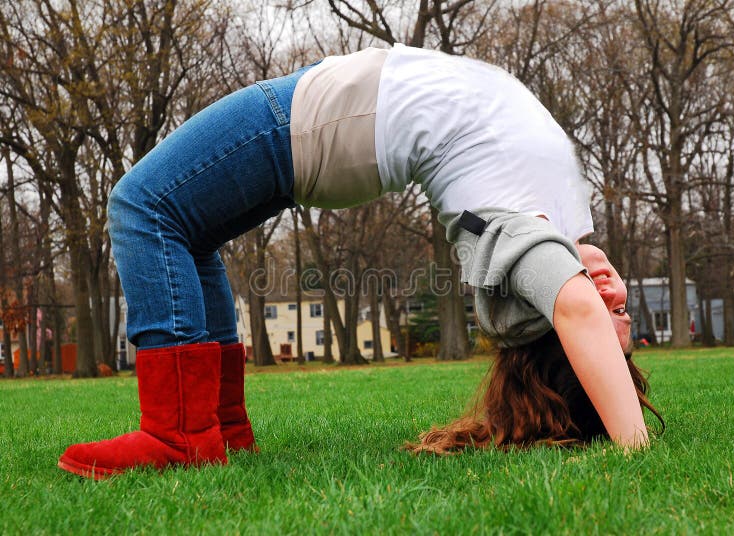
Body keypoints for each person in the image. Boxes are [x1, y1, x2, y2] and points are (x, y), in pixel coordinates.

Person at [57, 45, 661, 480]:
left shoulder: (513, 250)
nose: (617, 310)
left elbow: (575, 306)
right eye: (626, 327)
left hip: (317, 120)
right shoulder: (561, 230)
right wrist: (586, 263)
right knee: (190, 234)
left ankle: (178, 435)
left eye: (614, 347)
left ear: (560, 338)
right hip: (333, 114)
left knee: (142, 204)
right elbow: (580, 294)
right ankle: (221, 432)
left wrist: (634, 449)